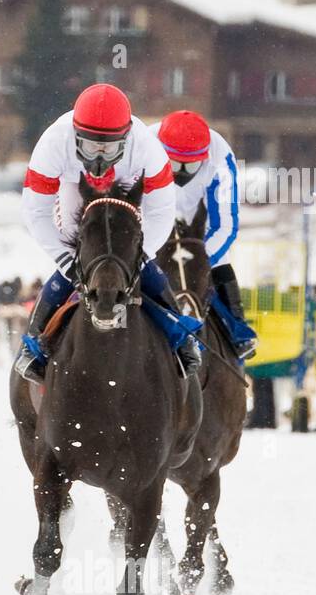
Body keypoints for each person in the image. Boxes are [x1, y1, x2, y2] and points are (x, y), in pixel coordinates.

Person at [13, 83, 201, 384]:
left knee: (138, 264)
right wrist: (66, 259)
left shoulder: (147, 149)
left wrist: (139, 257)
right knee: (81, 257)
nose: (99, 156)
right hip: (74, 182)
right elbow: (36, 212)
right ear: (74, 137)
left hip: (128, 182)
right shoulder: (53, 142)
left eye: (109, 148)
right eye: (90, 147)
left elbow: (161, 213)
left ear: (126, 140)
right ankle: (34, 344)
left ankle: (182, 338)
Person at [151, 109, 257, 358]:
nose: (183, 172)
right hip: (154, 218)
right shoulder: (143, 145)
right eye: (175, 164)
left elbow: (225, 226)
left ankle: (236, 329)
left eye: (191, 165)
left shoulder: (221, 157)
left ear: (205, 157)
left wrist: (198, 261)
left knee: (221, 261)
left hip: (199, 224)